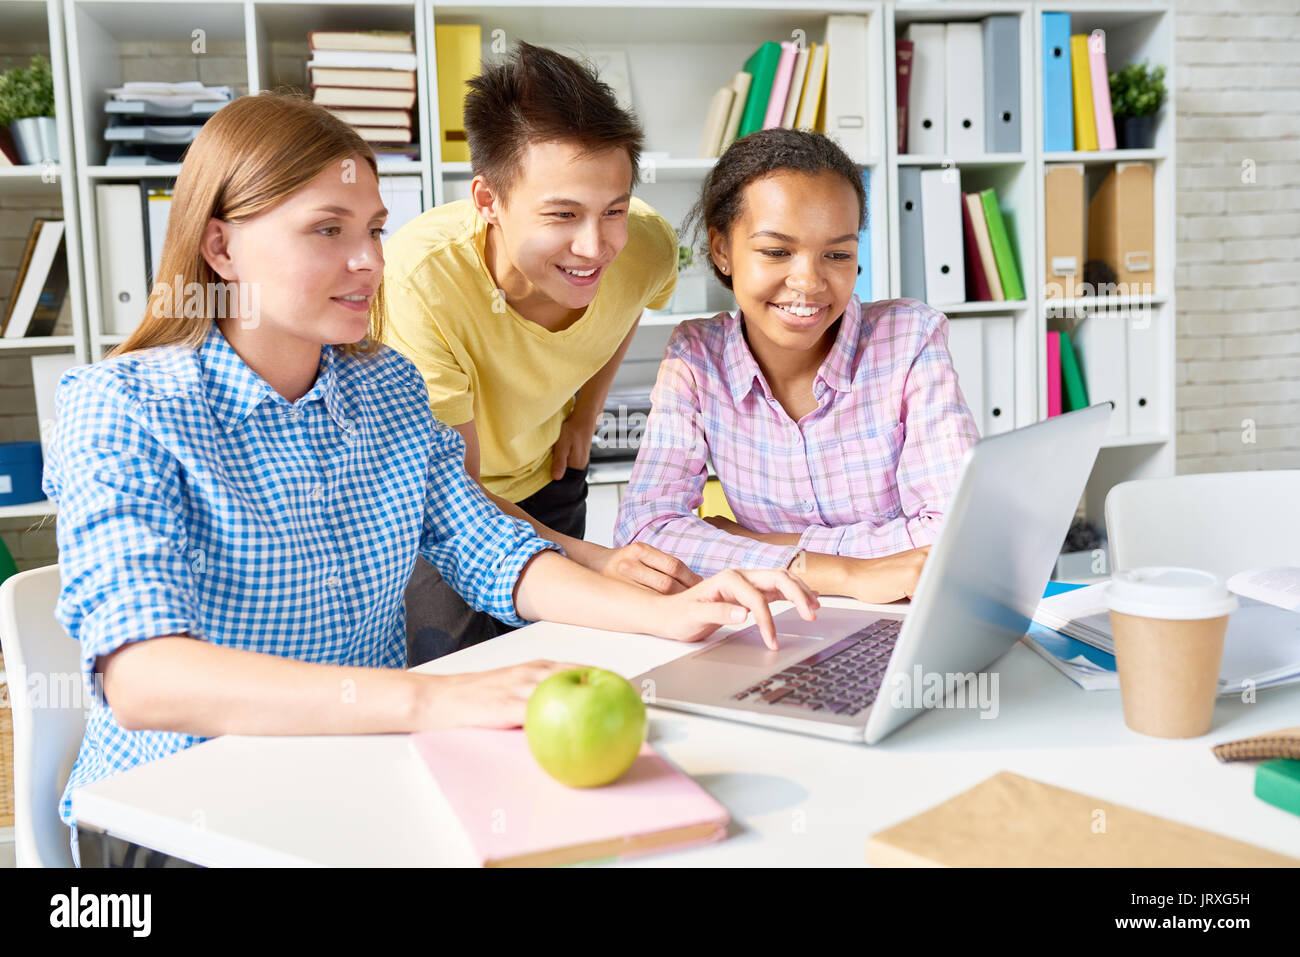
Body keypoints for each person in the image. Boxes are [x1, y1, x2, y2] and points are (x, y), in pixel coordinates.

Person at [44, 94, 818, 862]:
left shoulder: (386, 387)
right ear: (221, 247)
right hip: (179, 811)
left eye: (374, 230)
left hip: (361, 775)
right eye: (327, 230)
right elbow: (143, 676)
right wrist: (433, 698)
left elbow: (494, 551)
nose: (369, 262)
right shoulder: (122, 408)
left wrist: (673, 612)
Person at [382, 42, 700, 665]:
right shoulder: (424, 279)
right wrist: (598, 563)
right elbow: (460, 496)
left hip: (550, 476)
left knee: (559, 666)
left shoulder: (644, 246)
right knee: (462, 678)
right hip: (444, 506)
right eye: (563, 214)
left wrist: (586, 414)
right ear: (487, 202)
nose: (594, 247)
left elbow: (629, 304)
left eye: (612, 210)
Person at [615, 128, 981, 602]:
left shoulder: (908, 339)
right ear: (723, 249)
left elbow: (958, 536)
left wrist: (759, 545)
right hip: (772, 624)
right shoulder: (696, 358)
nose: (808, 282)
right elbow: (644, 534)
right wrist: (844, 574)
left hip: (903, 620)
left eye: (837, 254)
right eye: (777, 251)